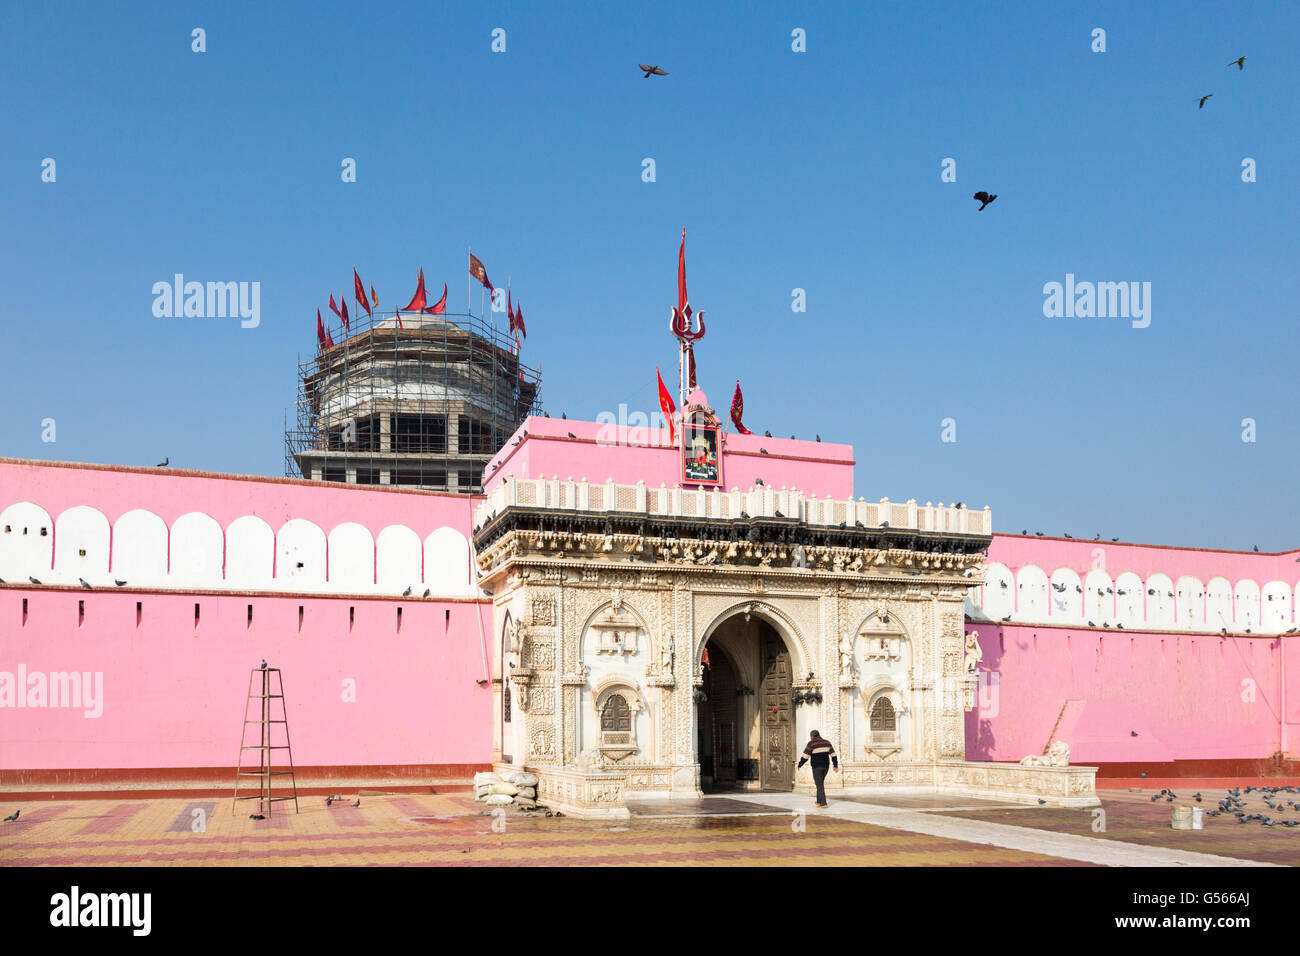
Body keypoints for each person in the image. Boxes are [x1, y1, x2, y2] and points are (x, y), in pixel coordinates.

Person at [796, 730, 839, 808]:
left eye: (810, 736)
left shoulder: (811, 743)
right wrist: (835, 765)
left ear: (812, 736)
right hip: (826, 766)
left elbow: (805, 756)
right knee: (820, 783)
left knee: (819, 784)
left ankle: (823, 803)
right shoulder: (827, 742)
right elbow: (833, 755)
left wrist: (800, 764)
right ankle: (818, 801)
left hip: (816, 767)